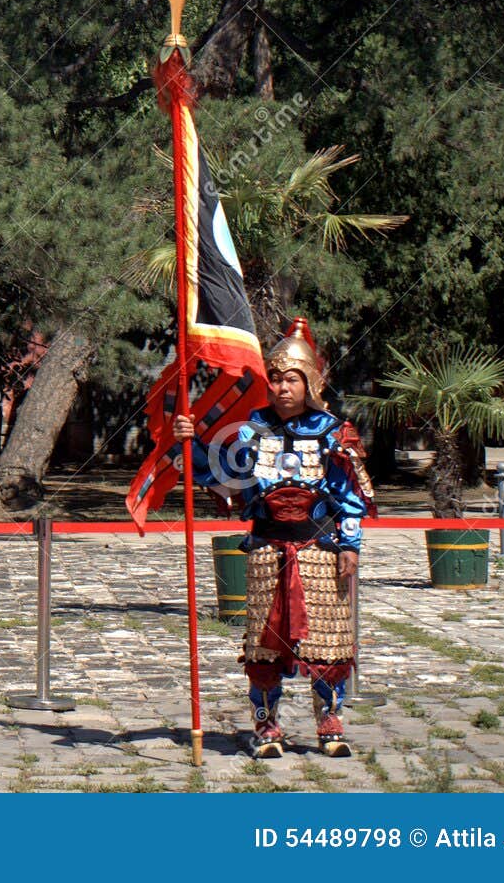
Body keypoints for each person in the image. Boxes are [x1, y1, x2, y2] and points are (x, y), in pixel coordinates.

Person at [172, 317, 375, 759]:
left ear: (311, 384)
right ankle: (266, 725)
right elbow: (222, 474)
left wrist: (350, 545)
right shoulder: (250, 432)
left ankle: (329, 719)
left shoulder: (332, 433)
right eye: (277, 379)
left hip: (319, 549)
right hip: (266, 549)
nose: (283, 388)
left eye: (293, 380)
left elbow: (350, 495)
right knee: (265, 645)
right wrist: (187, 444)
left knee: (329, 641)